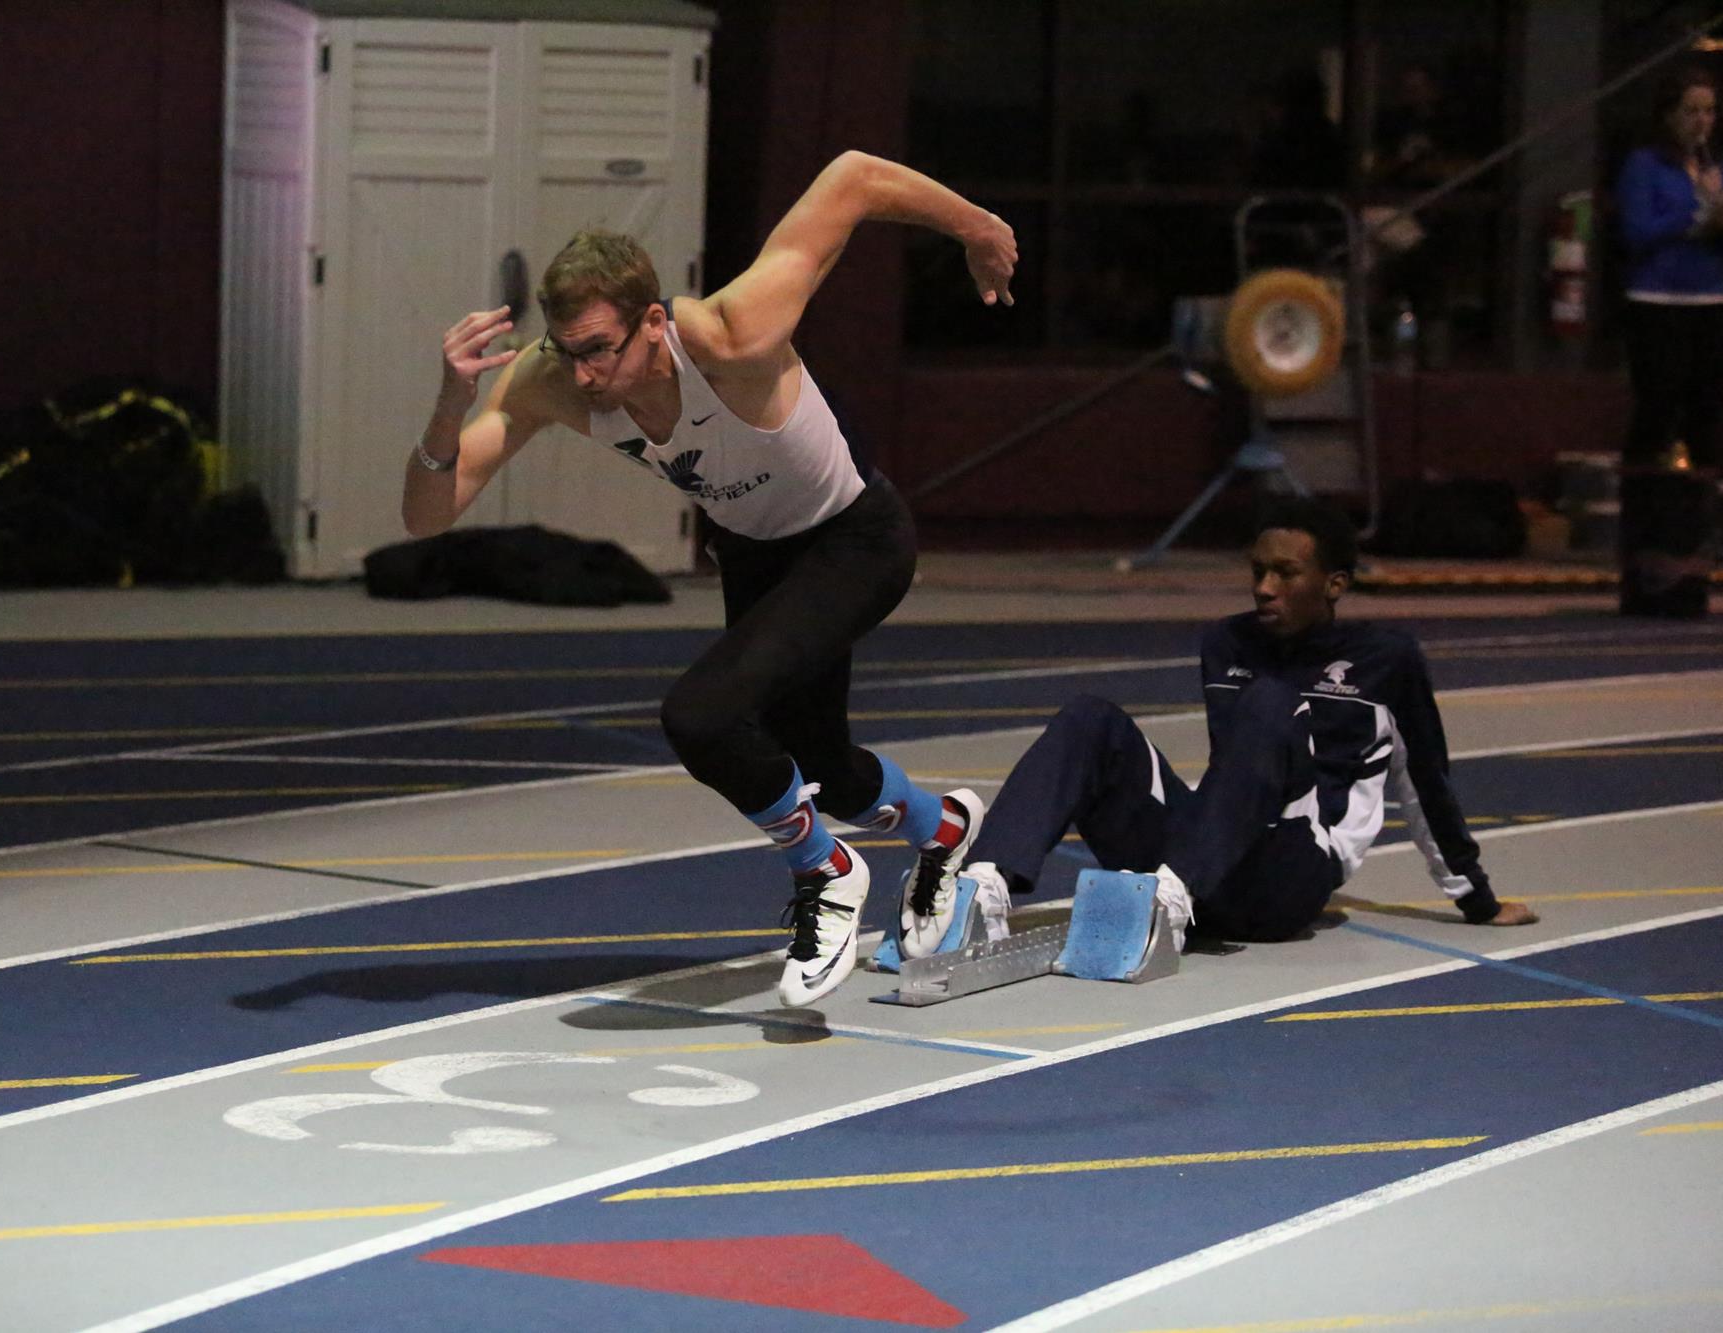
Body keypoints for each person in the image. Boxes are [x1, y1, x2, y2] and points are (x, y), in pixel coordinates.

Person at [406, 151, 1018, 1007]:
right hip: (758, 554)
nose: (583, 375)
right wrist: (447, 405)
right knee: (827, 770)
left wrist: (980, 229)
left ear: (653, 321)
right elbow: (428, 516)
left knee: (700, 713)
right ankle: (946, 828)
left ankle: (826, 869)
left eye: (599, 351)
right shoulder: (551, 379)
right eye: (568, 351)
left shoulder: (735, 331)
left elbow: (851, 178)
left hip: (854, 539)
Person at [952, 497, 1537, 950]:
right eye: (1258, 571)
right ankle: (981, 891)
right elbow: (1233, 778)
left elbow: (1427, 784)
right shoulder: (1226, 642)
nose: (1264, 588)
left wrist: (1476, 900)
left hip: (1291, 875)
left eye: (1285, 573)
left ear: (1335, 584)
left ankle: (1172, 899)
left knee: (1269, 700)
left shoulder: (1388, 660)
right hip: (1203, 862)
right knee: (1090, 718)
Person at [1615, 66, 1723, 475]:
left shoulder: (1719, 169)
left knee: (1709, 406)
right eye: (1691, 111)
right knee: (1659, 403)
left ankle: (1704, 508)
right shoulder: (1645, 164)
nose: (1702, 121)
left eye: (1709, 111)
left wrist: (1722, 218)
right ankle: (1642, 502)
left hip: (1713, 297)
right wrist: (1695, 213)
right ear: (1669, 115)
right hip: (1658, 298)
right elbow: (1636, 232)